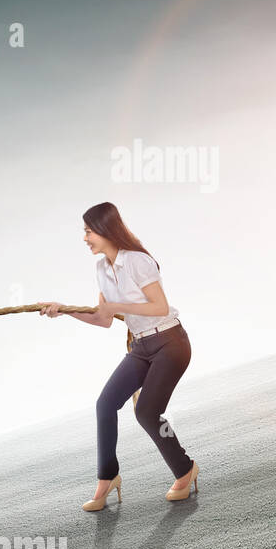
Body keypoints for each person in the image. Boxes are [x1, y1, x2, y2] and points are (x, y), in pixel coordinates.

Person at [40, 202, 199, 512]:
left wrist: (116, 308)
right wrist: (65, 310)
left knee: (147, 413)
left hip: (170, 342)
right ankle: (107, 479)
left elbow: (160, 307)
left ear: (105, 229)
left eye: (88, 231)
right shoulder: (102, 269)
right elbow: (103, 319)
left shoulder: (138, 262)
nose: (85, 238)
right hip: (141, 347)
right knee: (105, 404)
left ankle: (185, 468)